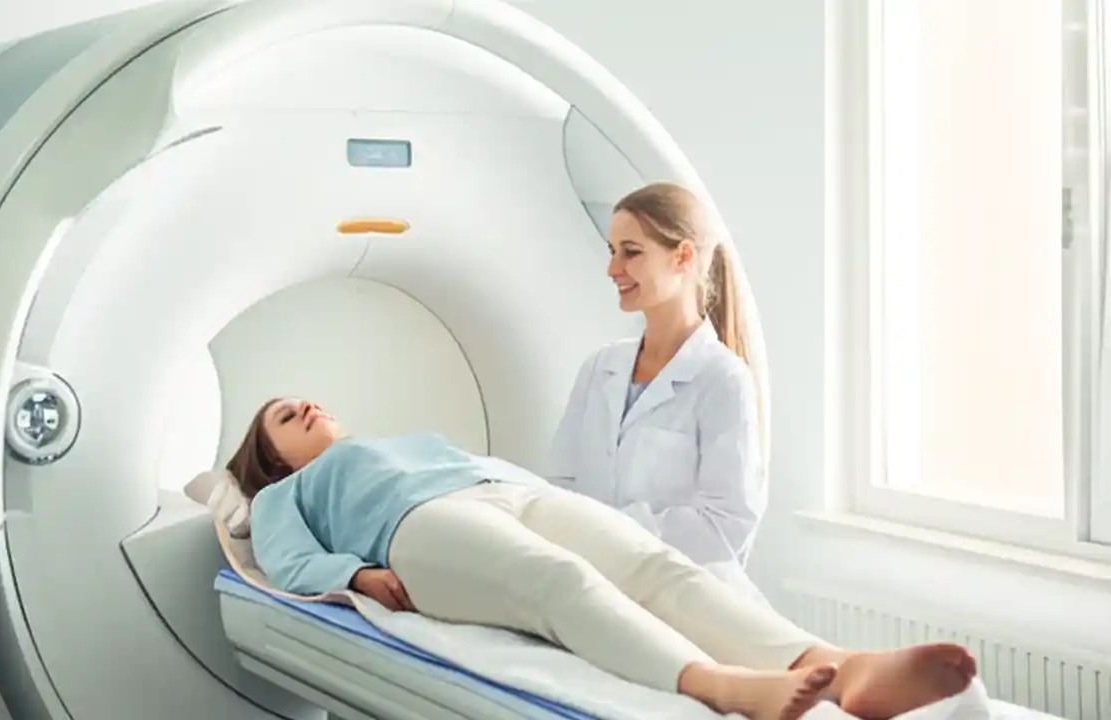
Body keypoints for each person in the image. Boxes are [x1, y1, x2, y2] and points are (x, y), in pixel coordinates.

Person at [229, 396, 978, 720]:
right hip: (417, 530)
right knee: (558, 582)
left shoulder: (403, 441)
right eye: (286, 417)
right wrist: (355, 575)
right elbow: (287, 561)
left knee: (656, 566)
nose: (306, 407)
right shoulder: (284, 495)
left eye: (308, 400)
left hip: (500, 489)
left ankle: (842, 667)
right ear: (274, 458)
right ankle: (723, 686)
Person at [549, 181, 766, 568]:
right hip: (589, 578)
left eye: (631, 253)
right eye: (612, 252)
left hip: (676, 589)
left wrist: (608, 537)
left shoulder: (723, 380)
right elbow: (559, 487)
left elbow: (727, 523)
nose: (613, 268)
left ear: (682, 257)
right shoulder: (600, 368)